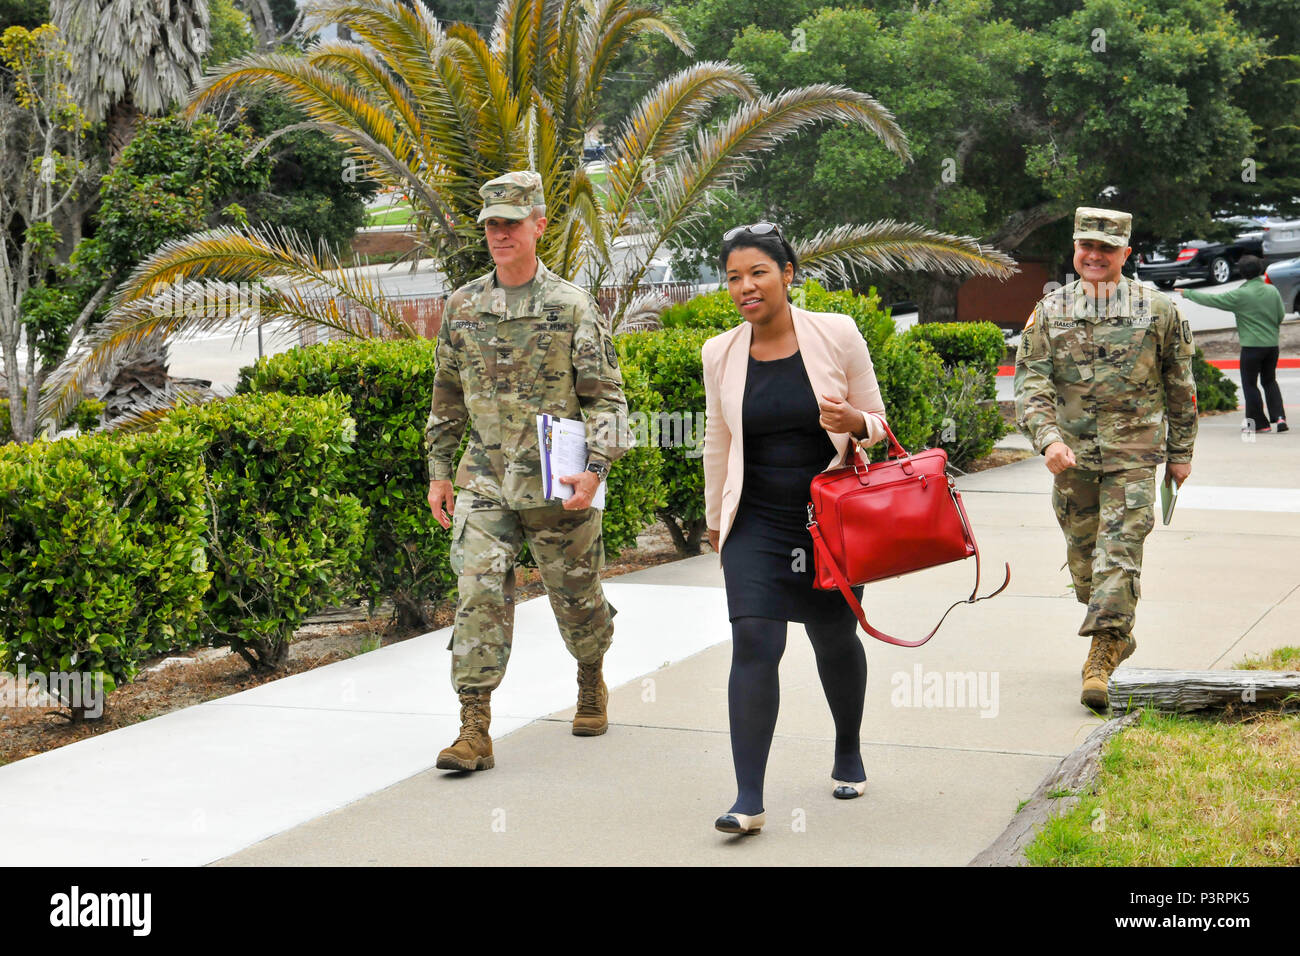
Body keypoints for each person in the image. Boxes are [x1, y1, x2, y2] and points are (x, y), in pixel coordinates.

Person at [424, 170, 628, 771]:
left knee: (576, 598)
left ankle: (590, 677)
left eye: (511, 223)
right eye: (491, 224)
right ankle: (474, 728)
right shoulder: (462, 306)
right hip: (484, 480)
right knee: (476, 594)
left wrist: (594, 470)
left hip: (556, 482)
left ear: (539, 225)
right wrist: (439, 470)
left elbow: (607, 400)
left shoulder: (569, 307)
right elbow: (445, 396)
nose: (499, 233)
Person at [702, 221, 889, 835]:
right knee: (755, 642)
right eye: (734, 277)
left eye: (757, 272)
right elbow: (717, 441)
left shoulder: (836, 334)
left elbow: (881, 427)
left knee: (834, 640)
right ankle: (748, 798)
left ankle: (848, 748)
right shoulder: (720, 353)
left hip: (829, 519)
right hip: (755, 518)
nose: (745, 286)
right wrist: (714, 518)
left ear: (787, 275)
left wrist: (855, 419)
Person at [1015, 206, 1198, 711]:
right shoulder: (1050, 310)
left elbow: (1180, 386)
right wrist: (1049, 438)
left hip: (1134, 457)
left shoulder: (1158, 311)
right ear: (1075, 250)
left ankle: (1101, 652)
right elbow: (1031, 381)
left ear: (1125, 254)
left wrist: (1181, 453)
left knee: (1118, 552)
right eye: (1085, 247)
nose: (1094, 256)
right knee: (1085, 565)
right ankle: (1115, 631)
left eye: (1106, 249)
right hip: (1071, 461)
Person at [1178, 255, 1288, 433]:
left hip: (1252, 347)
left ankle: (1260, 423)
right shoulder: (1272, 291)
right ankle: (1280, 418)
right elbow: (1280, 315)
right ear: (1260, 269)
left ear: (1242, 272)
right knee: (1269, 381)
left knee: (1250, 384)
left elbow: (1213, 300)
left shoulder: (1240, 295)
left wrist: (1188, 293)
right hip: (1272, 346)